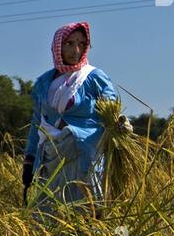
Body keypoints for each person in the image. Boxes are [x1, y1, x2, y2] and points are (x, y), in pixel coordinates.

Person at [22, 21, 120, 217]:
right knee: (49, 214)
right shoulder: (44, 83)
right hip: (51, 156)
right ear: (58, 46)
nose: (76, 50)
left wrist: (119, 124)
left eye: (81, 44)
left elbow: (112, 110)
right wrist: (29, 159)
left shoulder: (93, 78)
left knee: (84, 212)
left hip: (84, 156)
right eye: (69, 44)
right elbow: (37, 124)